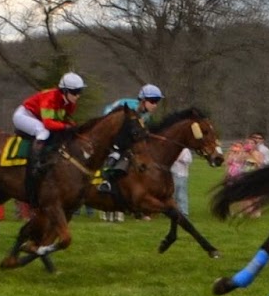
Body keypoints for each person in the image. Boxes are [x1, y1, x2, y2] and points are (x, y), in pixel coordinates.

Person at [13, 72, 86, 203]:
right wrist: (66, 127)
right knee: (44, 132)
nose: (78, 96)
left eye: (80, 92)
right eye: (75, 92)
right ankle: (35, 163)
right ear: (64, 91)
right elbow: (48, 123)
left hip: (38, 118)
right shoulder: (50, 97)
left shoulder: (70, 103)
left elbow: (65, 120)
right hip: (24, 116)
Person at [96, 83, 163, 194]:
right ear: (143, 100)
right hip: (108, 123)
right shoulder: (129, 106)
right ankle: (105, 177)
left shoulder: (147, 115)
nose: (155, 105)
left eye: (157, 102)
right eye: (152, 101)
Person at [171, 146, 193, 216]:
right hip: (173, 173)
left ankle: (184, 211)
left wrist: (180, 158)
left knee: (181, 194)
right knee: (173, 193)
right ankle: (174, 210)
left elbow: (189, 160)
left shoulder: (185, 150)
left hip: (181, 175)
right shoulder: (173, 148)